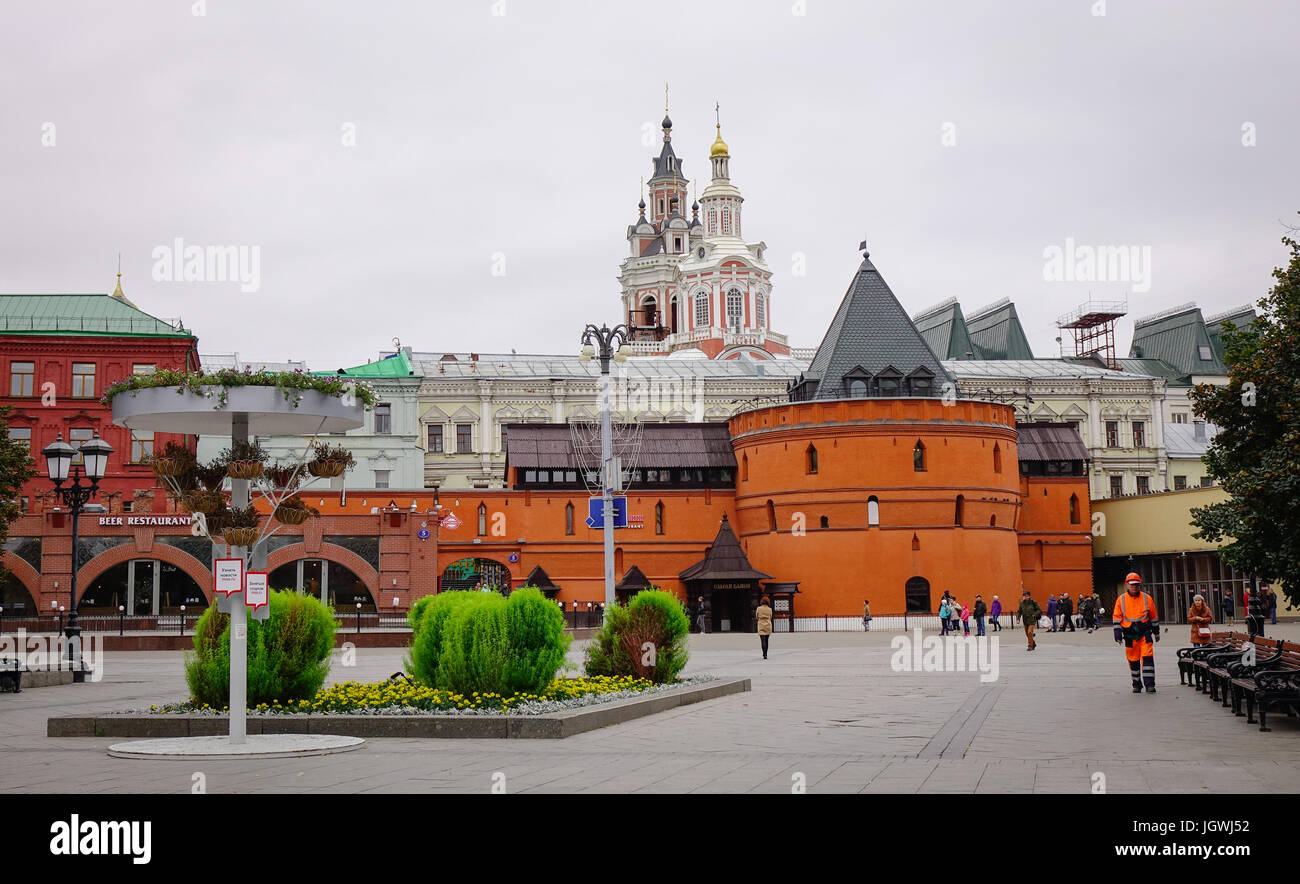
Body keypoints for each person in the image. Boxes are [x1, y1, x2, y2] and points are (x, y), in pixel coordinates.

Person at [1113, 572, 1160, 693]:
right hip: (1129, 635)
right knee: (1133, 660)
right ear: (1127, 585)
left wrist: (1156, 632)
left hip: (1145, 632)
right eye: (1132, 585)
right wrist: (1117, 633)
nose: (1135, 587)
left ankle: (1150, 685)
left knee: (1147, 659)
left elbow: (1153, 617)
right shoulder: (1121, 600)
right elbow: (1117, 617)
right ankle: (1136, 684)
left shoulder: (1147, 598)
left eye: (1137, 585)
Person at [756, 595, 773, 659]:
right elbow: (771, 616)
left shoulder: (758, 608)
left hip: (761, 625)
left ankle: (764, 654)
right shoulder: (770, 609)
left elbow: (757, 616)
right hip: (768, 625)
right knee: (767, 640)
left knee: (762, 640)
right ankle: (766, 654)